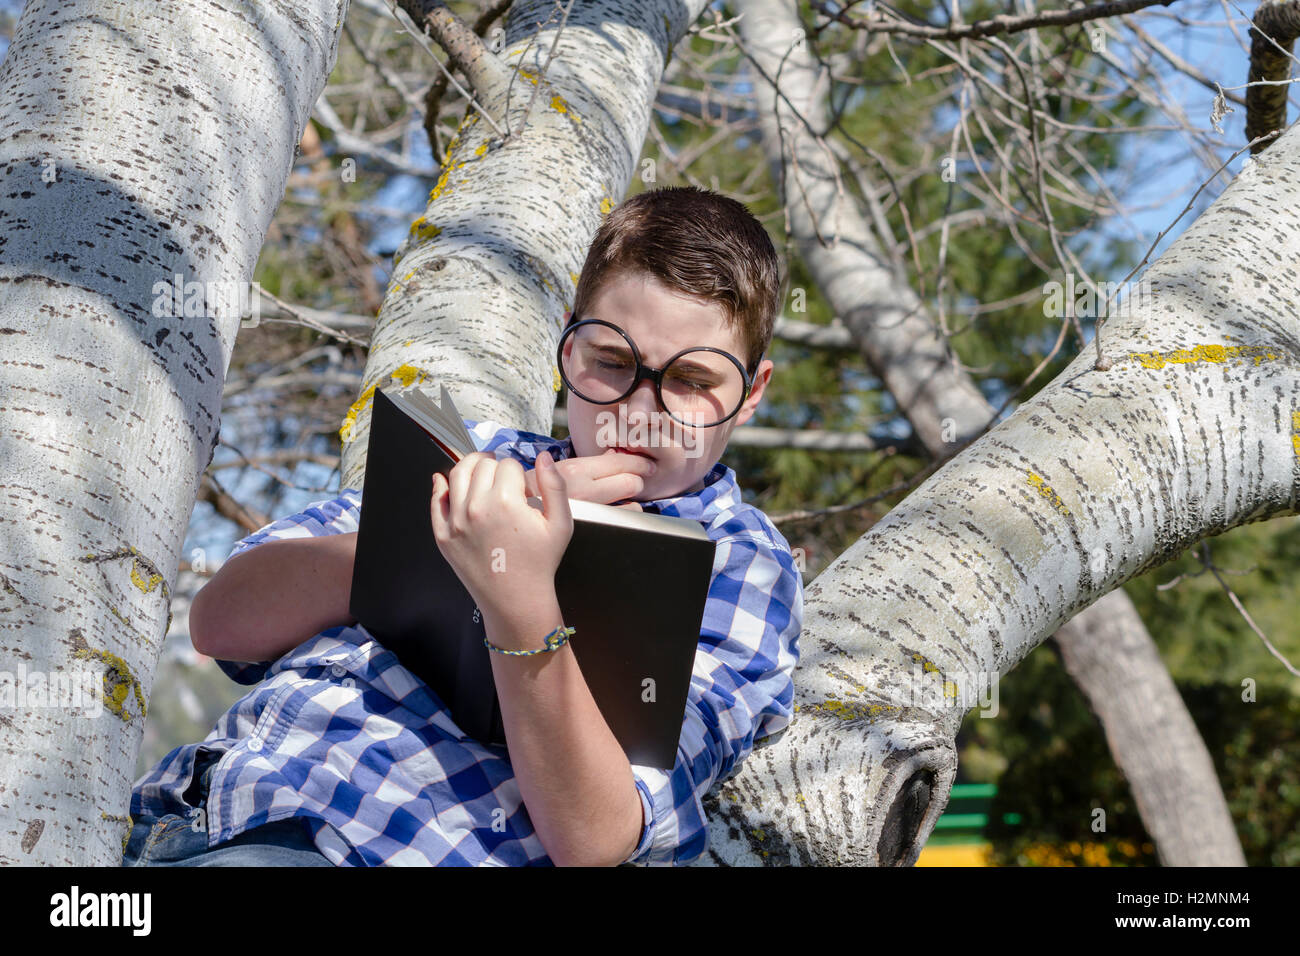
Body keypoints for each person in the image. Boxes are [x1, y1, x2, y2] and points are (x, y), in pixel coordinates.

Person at [122, 185, 803, 866]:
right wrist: (444, 537)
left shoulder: (741, 565)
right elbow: (221, 622)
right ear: (568, 350)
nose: (641, 408)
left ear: (751, 391)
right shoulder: (471, 455)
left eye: (690, 380)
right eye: (613, 362)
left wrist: (518, 598)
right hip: (201, 819)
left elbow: (597, 840)